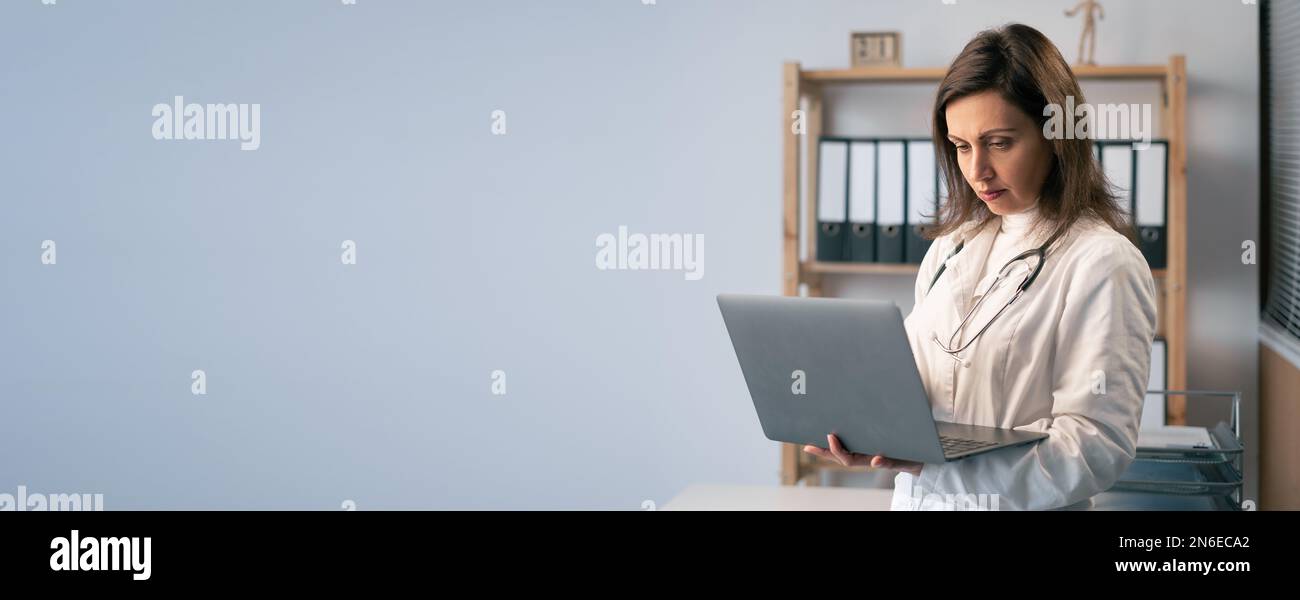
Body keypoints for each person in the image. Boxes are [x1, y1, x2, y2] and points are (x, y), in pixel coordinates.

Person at [803, 23, 1157, 510]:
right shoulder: (952, 248)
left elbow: (1095, 447)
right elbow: (916, 393)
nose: (976, 171)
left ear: (1056, 135)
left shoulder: (1103, 263)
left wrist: (940, 469)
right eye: (962, 146)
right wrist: (869, 431)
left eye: (1000, 143)